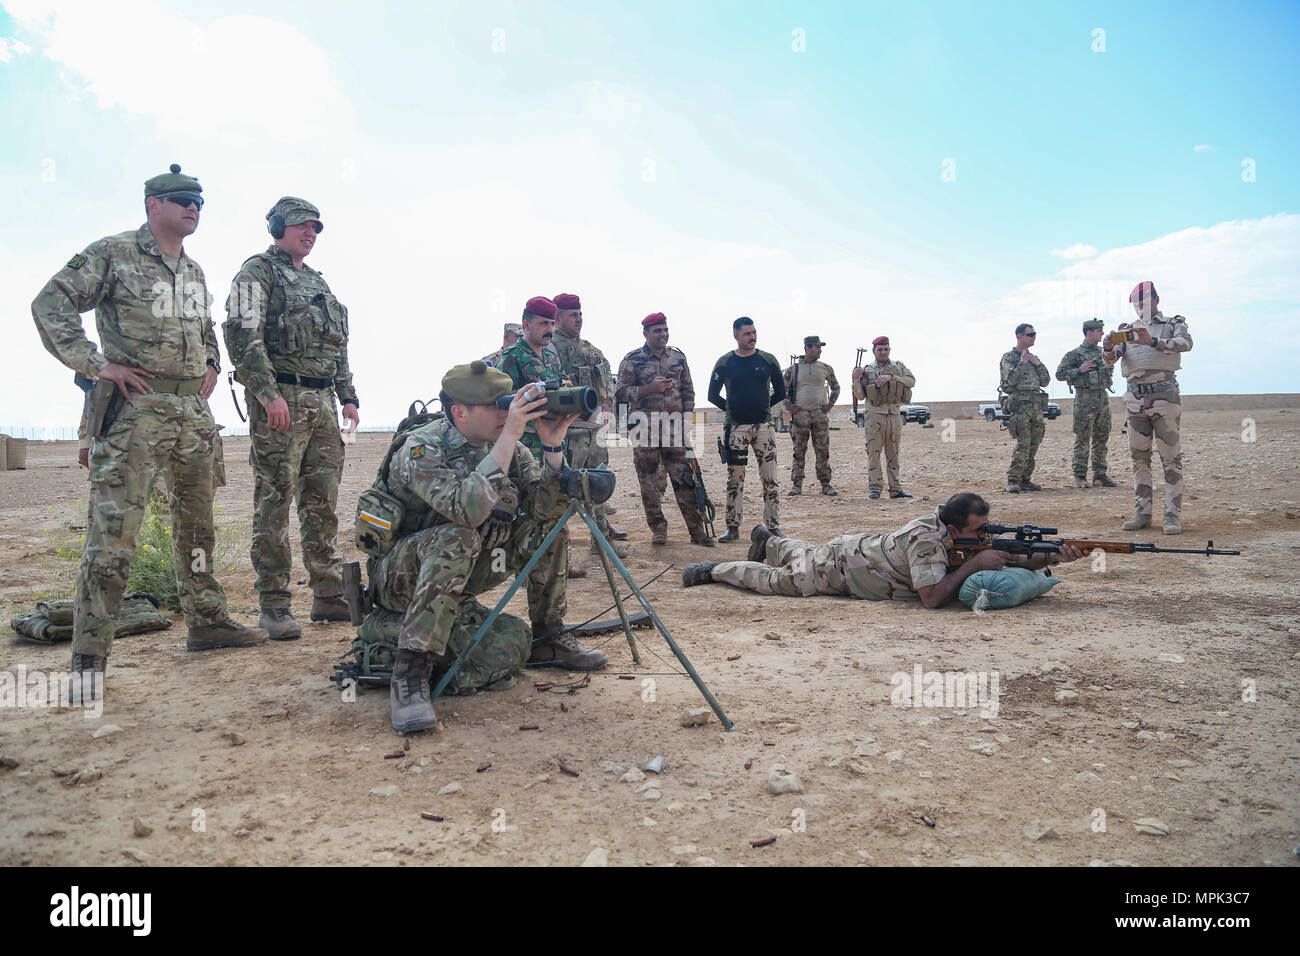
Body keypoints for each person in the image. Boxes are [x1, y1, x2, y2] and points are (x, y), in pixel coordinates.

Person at [31, 163, 268, 701]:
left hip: (191, 415)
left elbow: (205, 325)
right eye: (182, 199)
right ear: (152, 205)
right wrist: (95, 363)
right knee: (113, 538)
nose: (193, 207)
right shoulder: (113, 254)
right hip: (135, 413)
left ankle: (207, 622)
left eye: (199, 201)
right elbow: (50, 303)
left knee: (198, 527)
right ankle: (89, 659)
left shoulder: (195, 270)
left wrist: (210, 360)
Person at [369, 362, 608, 732]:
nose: (506, 413)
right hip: (402, 576)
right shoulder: (422, 449)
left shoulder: (506, 448)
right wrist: (511, 435)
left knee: (549, 529)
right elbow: (466, 509)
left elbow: (545, 509)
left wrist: (552, 446)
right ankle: (411, 670)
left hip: (468, 565)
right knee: (457, 535)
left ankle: (548, 636)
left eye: (508, 404)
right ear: (459, 412)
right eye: (496, 406)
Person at [223, 197, 358, 639]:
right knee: (275, 501)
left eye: (316, 227)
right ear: (278, 225)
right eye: (301, 225)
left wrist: (348, 397)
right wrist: (267, 394)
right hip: (282, 399)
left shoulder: (318, 284)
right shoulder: (257, 272)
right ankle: (274, 603)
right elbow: (242, 336)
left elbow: (336, 348)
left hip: (322, 406)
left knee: (322, 503)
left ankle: (327, 592)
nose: (310, 233)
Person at [681, 493, 1082, 607]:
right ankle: (714, 569)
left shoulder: (953, 530)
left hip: (852, 552)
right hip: (840, 572)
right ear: (955, 526)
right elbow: (931, 597)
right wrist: (973, 566)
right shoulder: (927, 541)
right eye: (978, 533)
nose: (984, 539)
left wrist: (1049, 556)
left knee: (805, 552)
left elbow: (1005, 555)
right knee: (777, 581)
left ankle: (769, 540)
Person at [614, 313, 714, 546]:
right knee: (648, 481)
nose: (663, 334)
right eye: (657, 330)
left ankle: (697, 531)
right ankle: (658, 529)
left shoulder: (677, 357)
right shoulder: (633, 359)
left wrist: (688, 417)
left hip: (674, 429)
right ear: (646, 333)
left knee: (685, 479)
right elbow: (621, 392)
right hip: (644, 428)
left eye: (665, 330)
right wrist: (650, 388)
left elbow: (688, 390)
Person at [1103, 281, 1193, 535]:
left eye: (1143, 301)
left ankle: (1172, 516)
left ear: (1156, 300)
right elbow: (1111, 360)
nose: (1139, 307)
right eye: (1136, 303)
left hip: (1164, 397)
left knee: (1170, 459)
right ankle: (1142, 513)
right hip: (1135, 400)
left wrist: (1153, 341)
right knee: (1139, 459)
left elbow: (1185, 343)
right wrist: (1108, 347)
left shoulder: (1173, 324)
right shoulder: (1128, 330)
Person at [550, 292, 628, 566]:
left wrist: (606, 404)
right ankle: (558, 553)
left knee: (597, 486)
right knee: (561, 492)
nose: (579, 318)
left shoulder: (592, 350)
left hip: (594, 431)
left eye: (580, 313)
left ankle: (601, 541)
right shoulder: (550, 351)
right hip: (566, 433)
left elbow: (608, 381)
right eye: (573, 314)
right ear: (557, 318)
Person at [708, 317, 786, 541]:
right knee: (735, 479)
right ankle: (732, 527)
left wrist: (762, 408)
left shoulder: (768, 360)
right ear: (736, 336)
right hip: (736, 429)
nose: (752, 337)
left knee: (770, 479)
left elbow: (780, 393)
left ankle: (773, 526)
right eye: (746, 334)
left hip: (764, 427)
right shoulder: (725, 362)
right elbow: (712, 395)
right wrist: (732, 409)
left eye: (753, 332)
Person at [852, 335, 916, 499]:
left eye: (886, 349)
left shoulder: (898, 367)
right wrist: (855, 379)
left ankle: (895, 489)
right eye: (880, 350)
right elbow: (860, 396)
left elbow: (911, 381)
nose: (883, 352)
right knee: (874, 452)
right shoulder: (868, 370)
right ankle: (875, 488)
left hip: (894, 415)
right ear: (874, 351)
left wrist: (892, 378)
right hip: (875, 416)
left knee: (893, 453)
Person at [1055, 319, 1116, 489]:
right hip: (1084, 399)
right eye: (1099, 331)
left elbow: (1111, 363)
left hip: (1102, 398)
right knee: (1082, 439)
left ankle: (1100, 474)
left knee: (1101, 438)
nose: (1102, 334)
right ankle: (1080, 476)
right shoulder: (1074, 354)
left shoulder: (1103, 352)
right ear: (1089, 332)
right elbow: (1059, 374)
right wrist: (1079, 370)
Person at [783, 335, 840, 496]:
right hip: (800, 416)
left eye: (820, 347)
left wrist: (830, 404)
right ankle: (797, 485)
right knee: (799, 450)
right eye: (816, 347)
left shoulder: (825, 368)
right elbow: (782, 390)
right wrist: (790, 407)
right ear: (807, 348)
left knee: (822, 450)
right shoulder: (793, 369)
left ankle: (826, 484)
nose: (819, 350)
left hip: (819, 416)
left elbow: (836, 388)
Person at [999, 323, 1051, 493]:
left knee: (1035, 443)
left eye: (1034, 334)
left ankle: (1025, 479)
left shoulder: (1034, 358)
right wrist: (1022, 363)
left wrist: (1037, 363)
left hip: (1036, 406)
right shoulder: (1009, 358)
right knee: (1023, 443)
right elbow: (1011, 381)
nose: (1033, 337)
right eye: (1030, 334)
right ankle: (1013, 479)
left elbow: (1045, 381)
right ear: (1020, 336)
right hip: (1020, 406)